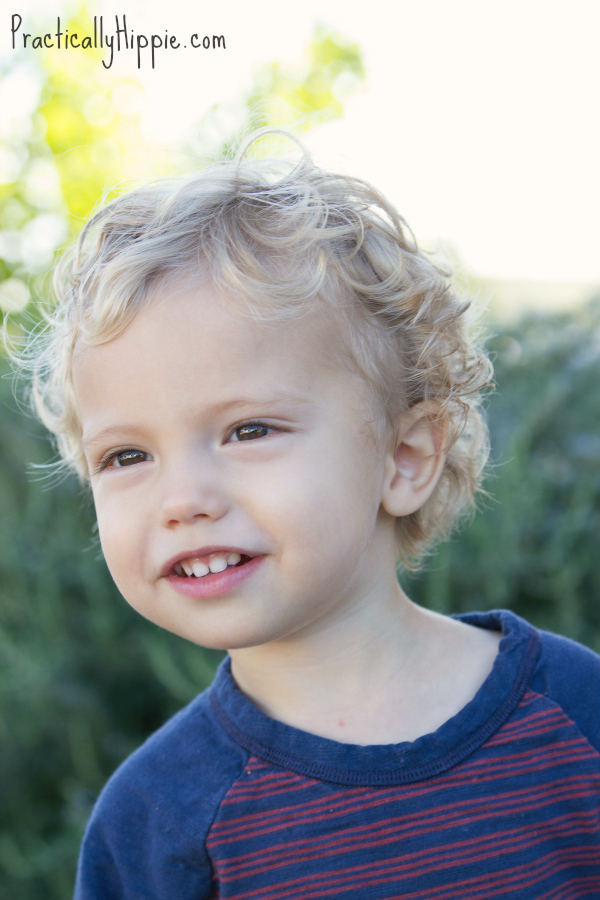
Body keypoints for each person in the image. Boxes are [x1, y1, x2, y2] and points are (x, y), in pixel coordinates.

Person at [23, 131, 600, 898]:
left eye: (248, 431)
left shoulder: (574, 712)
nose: (183, 498)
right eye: (127, 456)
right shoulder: (158, 824)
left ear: (404, 459)